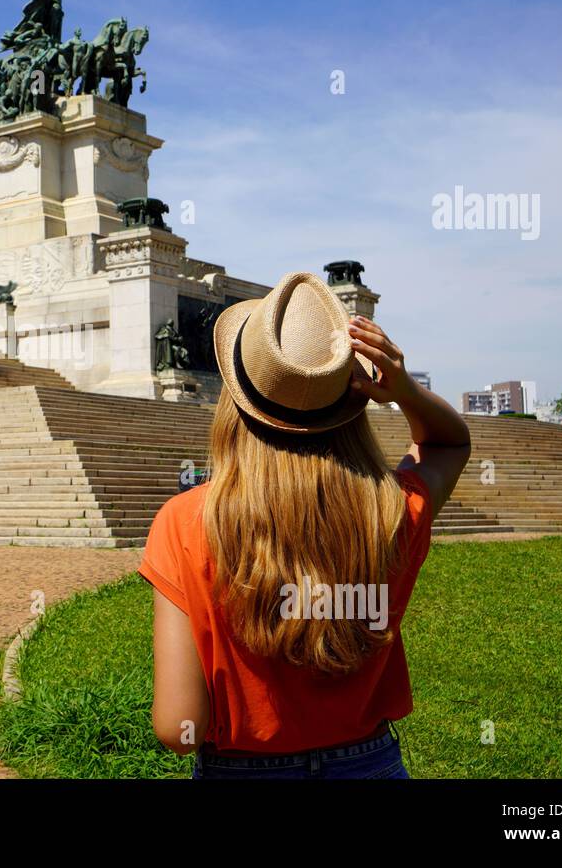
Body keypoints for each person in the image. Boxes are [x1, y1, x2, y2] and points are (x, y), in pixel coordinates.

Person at [139, 270, 471, 779]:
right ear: (353, 400)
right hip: (370, 763)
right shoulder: (395, 510)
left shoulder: (185, 522)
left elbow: (177, 726)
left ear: (237, 398)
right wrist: (403, 389)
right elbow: (449, 444)